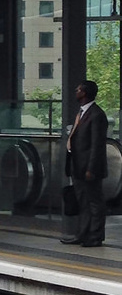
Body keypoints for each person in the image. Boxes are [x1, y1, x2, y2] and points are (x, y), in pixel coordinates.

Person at [61, 80, 108, 247]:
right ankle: (82, 234)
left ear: (85, 93)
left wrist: (91, 168)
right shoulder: (81, 113)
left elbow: (97, 145)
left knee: (94, 202)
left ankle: (96, 236)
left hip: (89, 168)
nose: (76, 90)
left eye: (78, 89)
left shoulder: (96, 115)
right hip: (77, 166)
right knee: (83, 201)